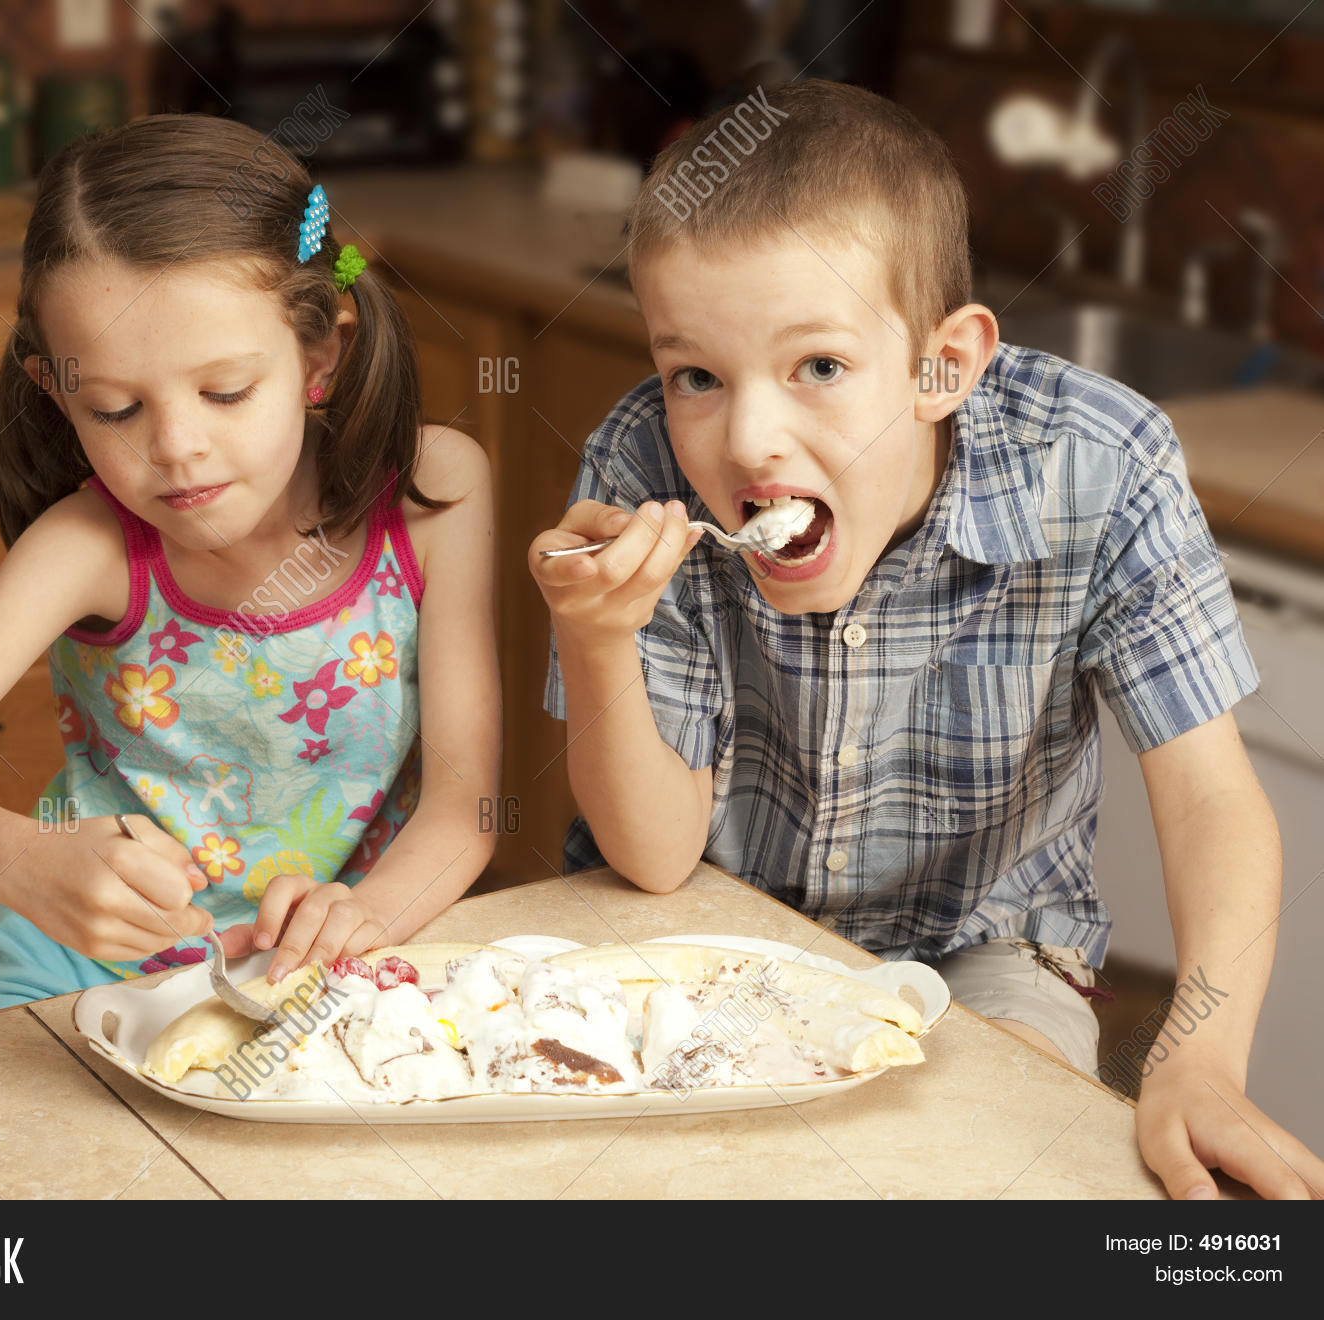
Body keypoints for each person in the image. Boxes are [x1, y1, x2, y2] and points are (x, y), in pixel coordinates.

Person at [530, 79, 1322, 1200]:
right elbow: (655, 859)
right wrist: (598, 640)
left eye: (820, 367)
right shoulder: (636, 465)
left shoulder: (1101, 465)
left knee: (982, 1162)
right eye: (696, 376)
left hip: (985, 951)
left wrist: (1200, 1058)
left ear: (943, 365)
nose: (750, 439)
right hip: (710, 926)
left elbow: (1209, 799)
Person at [0, 115, 497, 1027]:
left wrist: (369, 914)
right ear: (58, 391)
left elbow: (469, 801)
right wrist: (16, 861)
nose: (177, 450)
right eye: (114, 409)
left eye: (226, 392)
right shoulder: (89, 547)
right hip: (78, 960)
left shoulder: (431, 493)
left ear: (320, 351)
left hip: (336, 943)